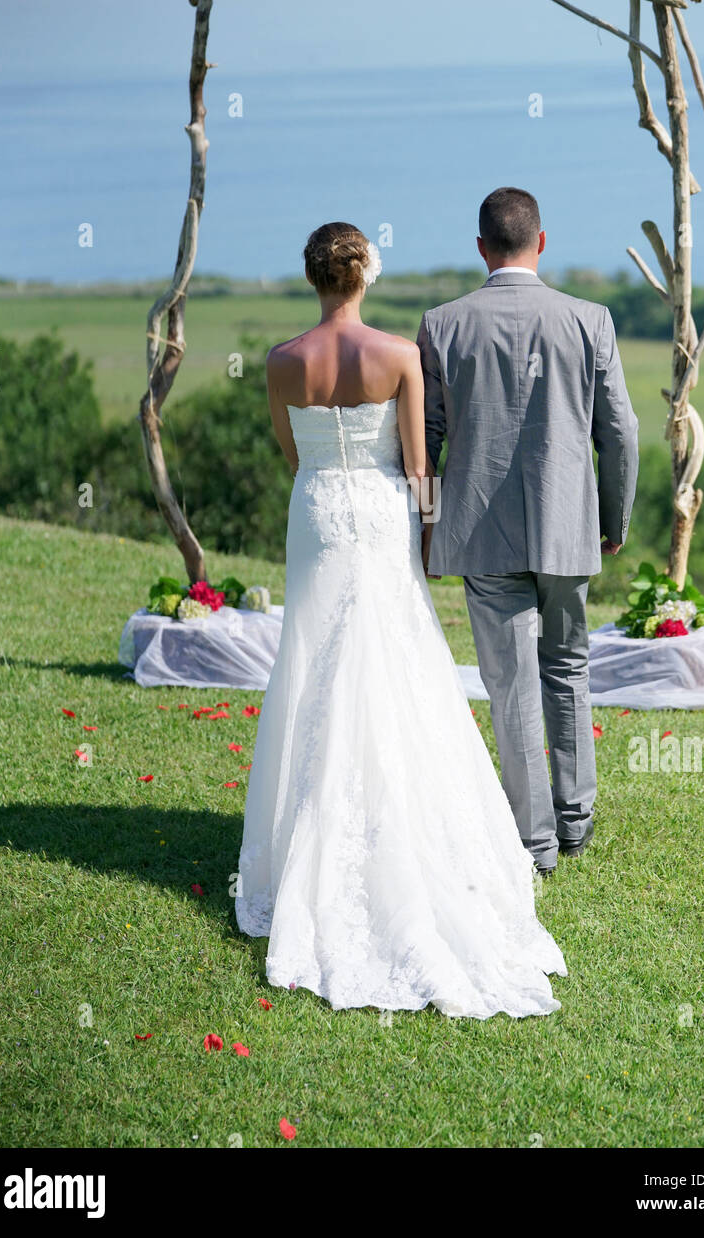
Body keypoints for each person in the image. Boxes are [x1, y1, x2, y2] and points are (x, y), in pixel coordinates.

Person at [235, 221, 566, 1019]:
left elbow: (291, 450)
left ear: (314, 276)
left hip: (316, 509)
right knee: (396, 657)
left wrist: (326, 479)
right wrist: (423, 528)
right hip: (381, 514)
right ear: (365, 276)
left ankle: (307, 836)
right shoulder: (399, 356)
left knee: (314, 659)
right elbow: (420, 466)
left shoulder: (282, 362)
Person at [417, 187, 639, 874]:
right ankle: (576, 820)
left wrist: (425, 522)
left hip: (481, 532)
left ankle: (534, 841)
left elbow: (423, 438)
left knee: (510, 683)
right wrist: (614, 519)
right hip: (568, 527)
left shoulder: (440, 323)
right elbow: (621, 433)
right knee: (567, 667)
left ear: (481, 247)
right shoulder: (588, 319)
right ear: (541, 242)